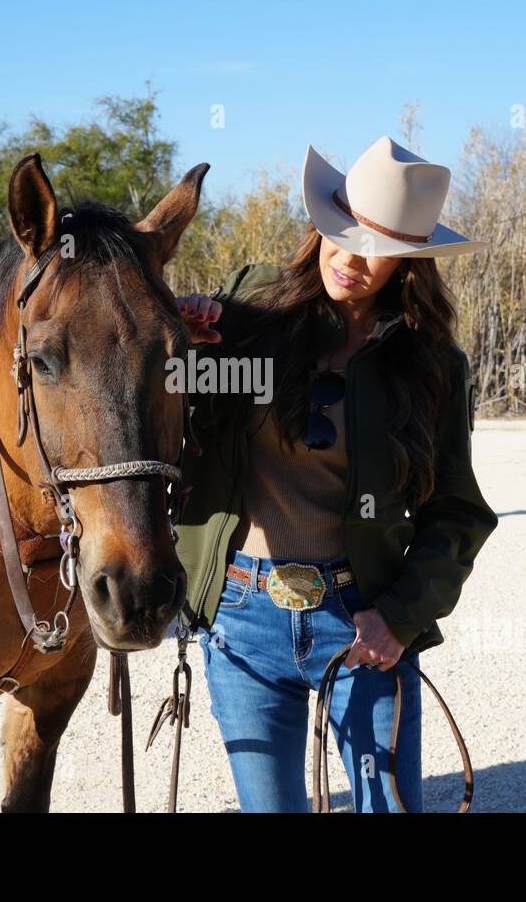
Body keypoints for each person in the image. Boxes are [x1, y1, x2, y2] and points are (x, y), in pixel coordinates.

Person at [174, 136, 499, 812]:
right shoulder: (251, 315)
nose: (350, 259)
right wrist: (185, 343)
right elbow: (165, 418)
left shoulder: (432, 365)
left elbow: (460, 513)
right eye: (340, 233)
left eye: (376, 249)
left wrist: (402, 618)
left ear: (409, 264)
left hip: (360, 621)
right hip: (243, 616)